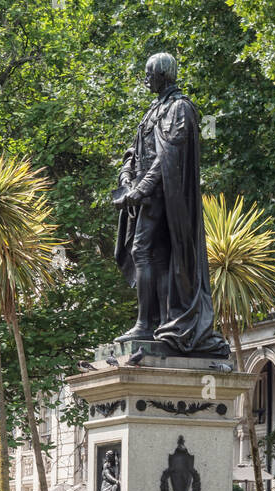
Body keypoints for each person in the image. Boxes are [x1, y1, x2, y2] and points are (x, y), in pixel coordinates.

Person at [114, 51, 229, 358]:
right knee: (155, 258)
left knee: (144, 251)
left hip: (170, 199)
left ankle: (146, 323)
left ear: (163, 75)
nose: (146, 79)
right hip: (147, 197)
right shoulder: (154, 110)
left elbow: (170, 156)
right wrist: (127, 173)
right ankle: (158, 322)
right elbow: (135, 150)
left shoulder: (181, 108)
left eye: (150, 74)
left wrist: (141, 189)